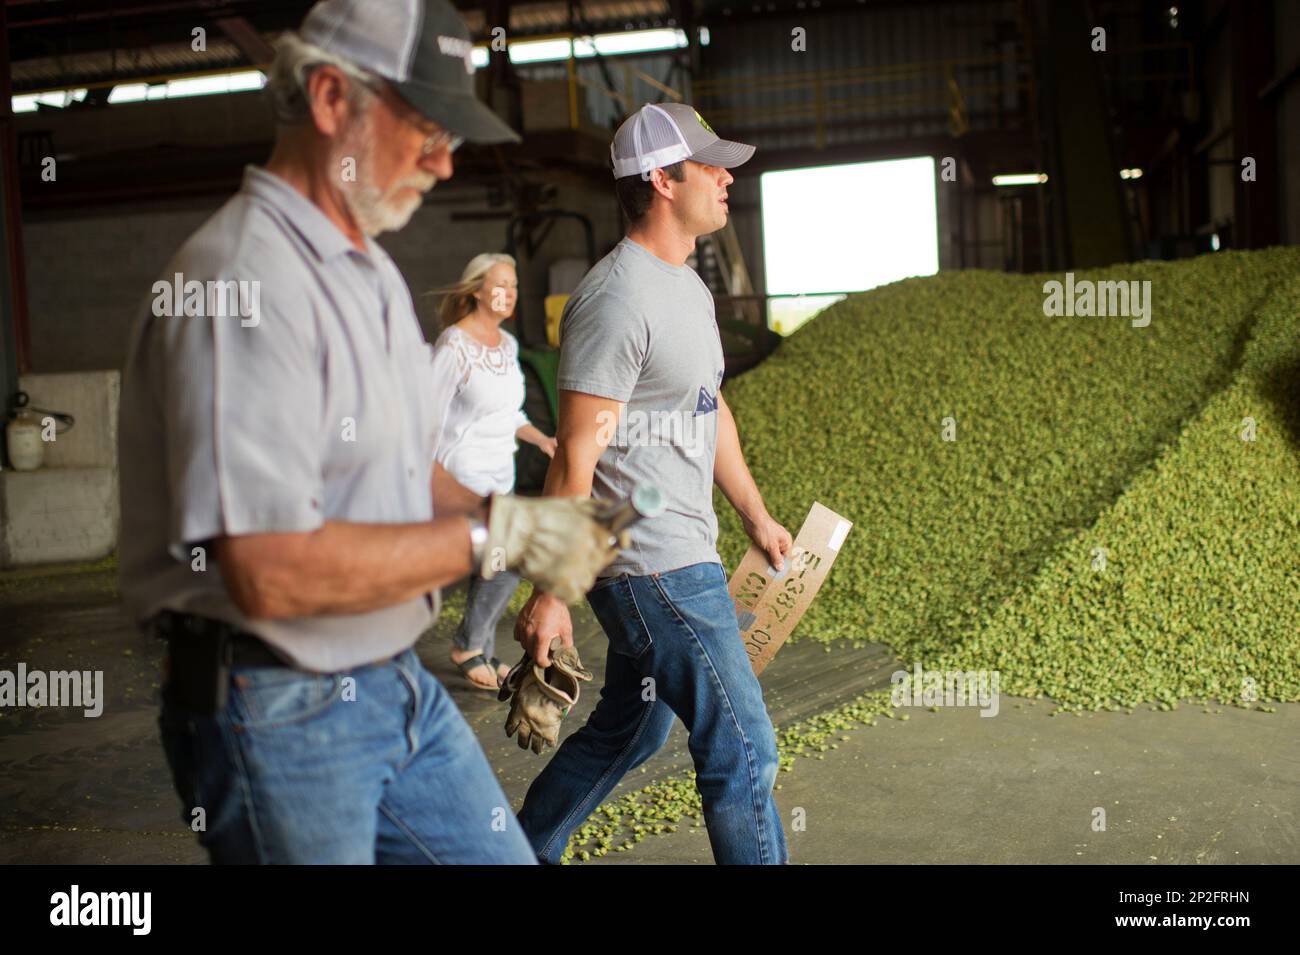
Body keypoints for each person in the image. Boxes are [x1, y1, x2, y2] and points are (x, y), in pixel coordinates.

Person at [116, 0, 623, 865]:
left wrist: (524, 525)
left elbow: (399, 468)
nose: (444, 157)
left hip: (390, 676)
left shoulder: (370, 276)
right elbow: (269, 569)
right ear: (327, 100)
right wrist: (490, 534)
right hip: (275, 703)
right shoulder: (242, 284)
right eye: (423, 124)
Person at [512, 103, 793, 865]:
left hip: (685, 548)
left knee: (632, 727)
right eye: (710, 165)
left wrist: (756, 515)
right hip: (648, 559)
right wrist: (550, 591)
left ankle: (514, 851)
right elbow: (574, 456)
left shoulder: (688, 288)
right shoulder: (615, 298)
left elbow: (711, 410)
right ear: (663, 179)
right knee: (744, 748)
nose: (727, 176)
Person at [433, 253, 557, 689]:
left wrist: (541, 439)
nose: (510, 293)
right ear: (476, 291)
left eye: (515, 284)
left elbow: (509, 412)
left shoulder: (507, 345)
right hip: (459, 477)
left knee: (497, 561)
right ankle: (468, 645)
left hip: (498, 474)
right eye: (501, 283)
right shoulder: (453, 344)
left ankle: (480, 650)